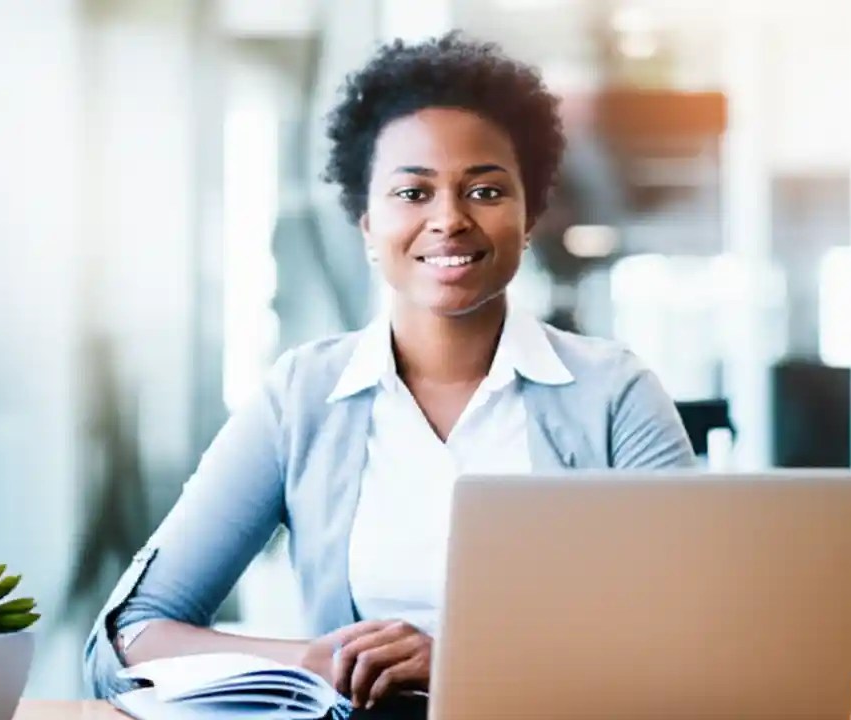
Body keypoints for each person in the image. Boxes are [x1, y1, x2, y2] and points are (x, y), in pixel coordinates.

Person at [82, 32, 694, 709]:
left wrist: (465, 662)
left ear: (529, 218)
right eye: (413, 192)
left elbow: (690, 640)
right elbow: (126, 640)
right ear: (367, 224)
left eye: (486, 190)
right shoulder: (302, 398)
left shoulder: (613, 393)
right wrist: (316, 658)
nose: (450, 220)